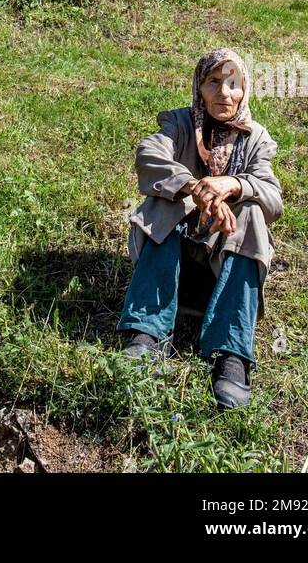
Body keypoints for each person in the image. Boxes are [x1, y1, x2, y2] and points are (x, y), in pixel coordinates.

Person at [117, 48, 283, 408]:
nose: (224, 93)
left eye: (234, 84)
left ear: (245, 90)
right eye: (214, 82)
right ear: (199, 87)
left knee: (252, 213)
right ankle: (147, 333)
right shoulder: (180, 124)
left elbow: (273, 196)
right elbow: (148, 156)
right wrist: (196, 190)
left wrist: (231, 186)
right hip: (172, 264)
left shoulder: (255, 137)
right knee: (165, 199)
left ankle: (231, 355)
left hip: (222, 272)